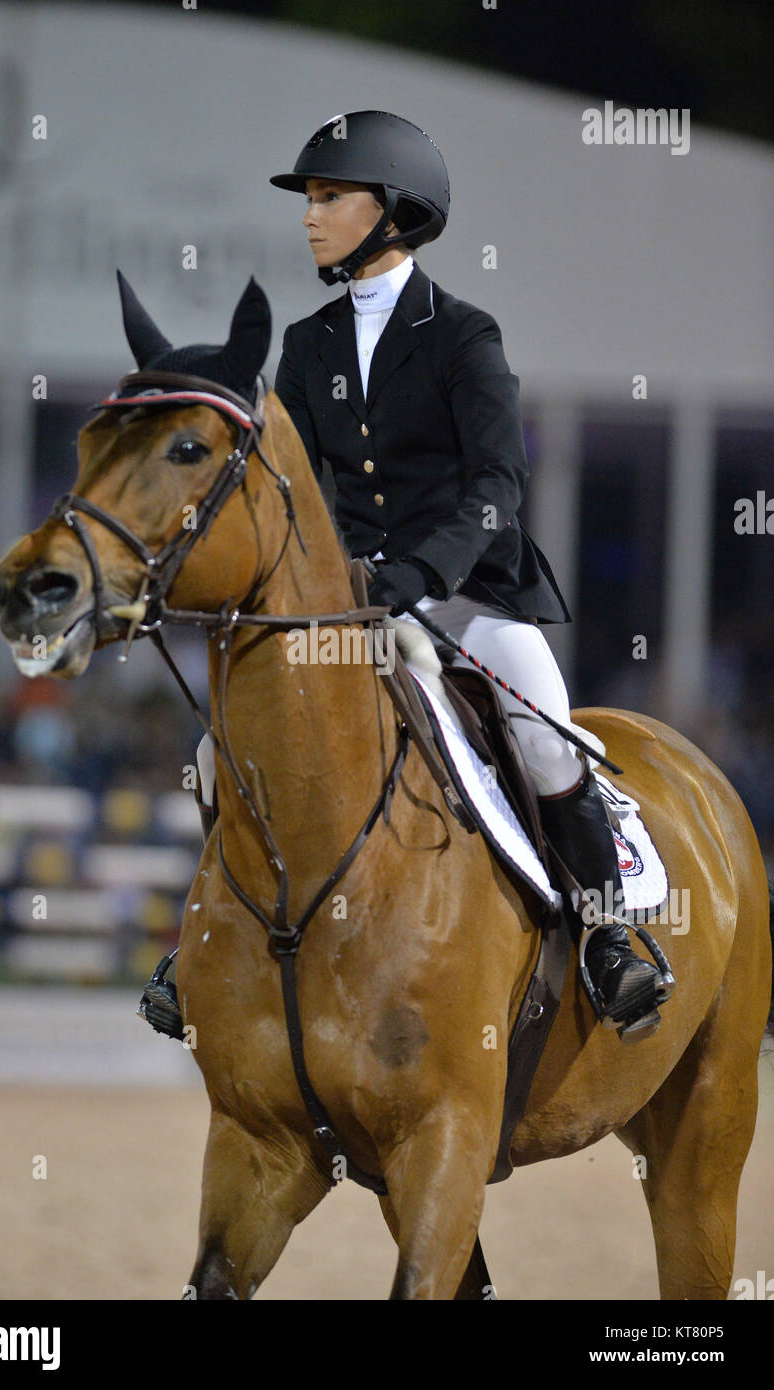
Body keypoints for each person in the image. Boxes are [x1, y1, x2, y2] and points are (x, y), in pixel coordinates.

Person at [269, 110, 674, 1042]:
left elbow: (498, 485)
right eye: (312, 199)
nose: (311, 215)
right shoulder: (307, 343)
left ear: (393, 214)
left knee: (544, 739)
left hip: (463, 595)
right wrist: (328, 578)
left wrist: (417, 572)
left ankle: (610, 938)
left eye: (331, 198)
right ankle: (209, 940)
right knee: (235, 743)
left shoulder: (462, 334)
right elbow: (296, 484)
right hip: (352, 603)